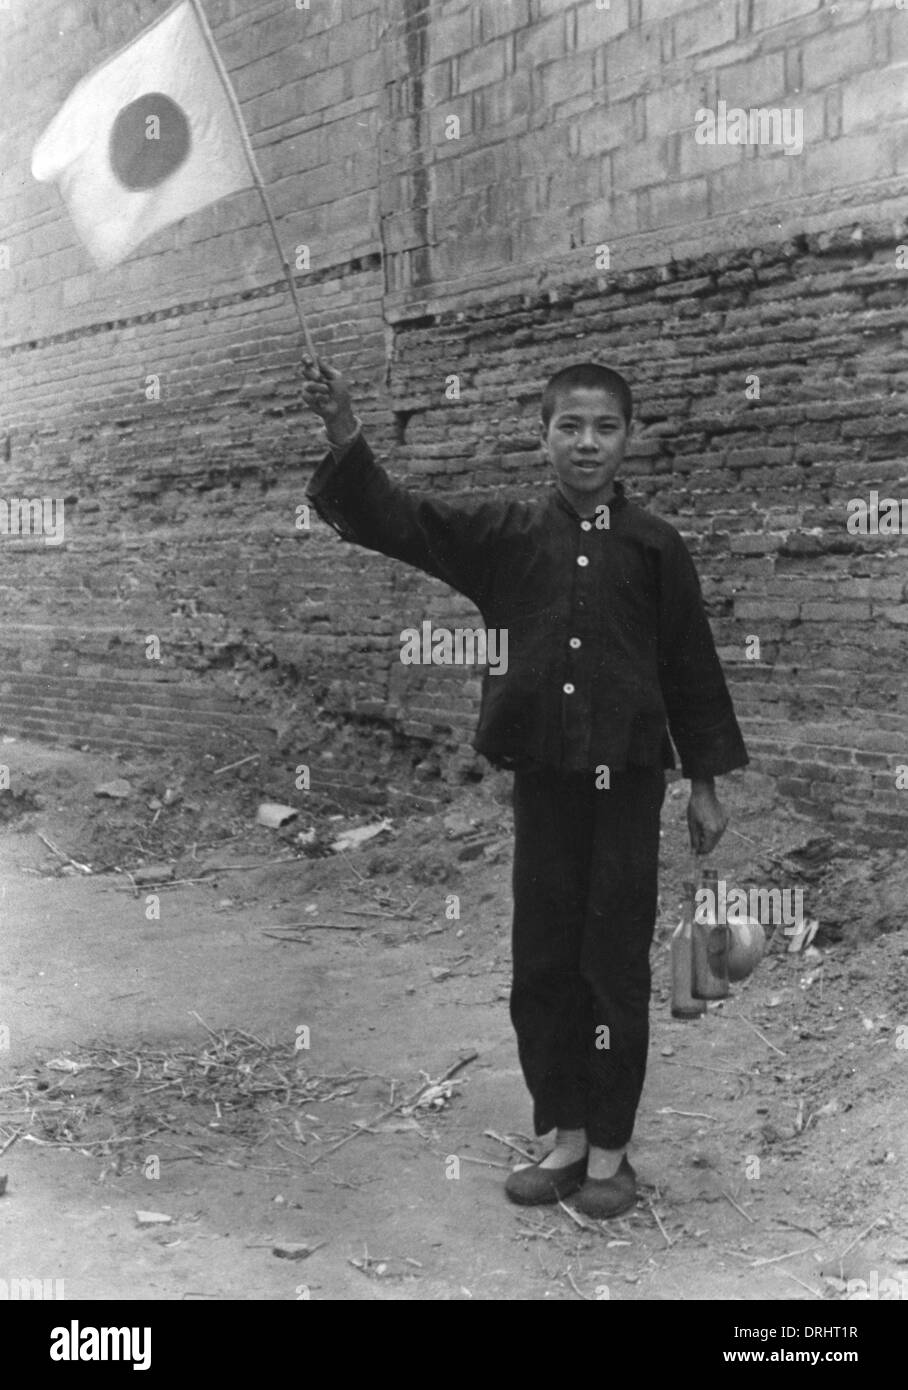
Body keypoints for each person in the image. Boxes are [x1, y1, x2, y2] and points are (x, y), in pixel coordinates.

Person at [302, 355, 748, 1218]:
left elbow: (691, 668)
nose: (587, 443)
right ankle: (566, 1139)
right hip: (545, 785)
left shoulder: (656, 547)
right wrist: (343, 430)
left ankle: (613, 1154)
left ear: (628, 438)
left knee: (612, 965)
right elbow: (397, 518)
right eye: (570, 426)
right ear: (543, 436)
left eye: (605, 427)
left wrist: (703, 784)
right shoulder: (504, 536)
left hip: (628, 790)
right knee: (544, 961)